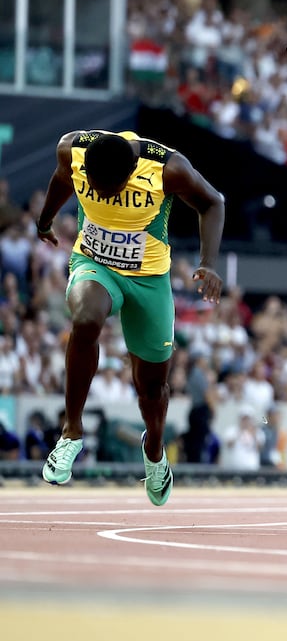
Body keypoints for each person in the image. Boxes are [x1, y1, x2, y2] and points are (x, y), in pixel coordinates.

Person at [34, 129, 225, 505]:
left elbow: (213, 202)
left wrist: (209, 264)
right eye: (93, 186)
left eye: (109, 189)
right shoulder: (71, 150)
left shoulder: (167, 169)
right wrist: (44, 222)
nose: (100, 195)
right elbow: (61, 179)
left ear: (131, 173)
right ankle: (71, 432)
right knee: (86, 319)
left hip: (149, 281)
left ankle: (154, 450)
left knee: (152, 389)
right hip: (94, 263)